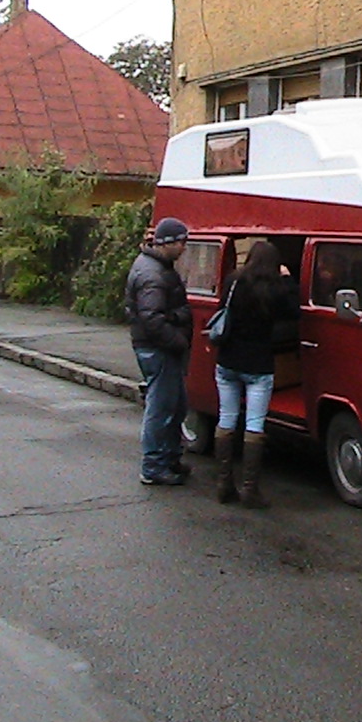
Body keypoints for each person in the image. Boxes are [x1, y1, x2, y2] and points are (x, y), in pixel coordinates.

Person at [212, 241, 299, 508]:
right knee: (254, 425)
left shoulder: (233, 282)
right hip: (258, 365)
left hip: (227, 360)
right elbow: (294, 311)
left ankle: (224, 484)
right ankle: (250, 490)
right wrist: (287, 280)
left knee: (226, 419)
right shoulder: (274, 288)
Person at [125, 217, 193, 486]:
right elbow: (151, 318)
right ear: (169, 243)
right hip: (158, 349)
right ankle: (153, 466)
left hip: (156, 346)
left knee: (175, 405)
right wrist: (177, 340)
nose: (184, 248)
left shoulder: (154, 267)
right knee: (162, 408)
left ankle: (169, 458)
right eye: (181, 242)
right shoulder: (153, 274)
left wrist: (176, 316)